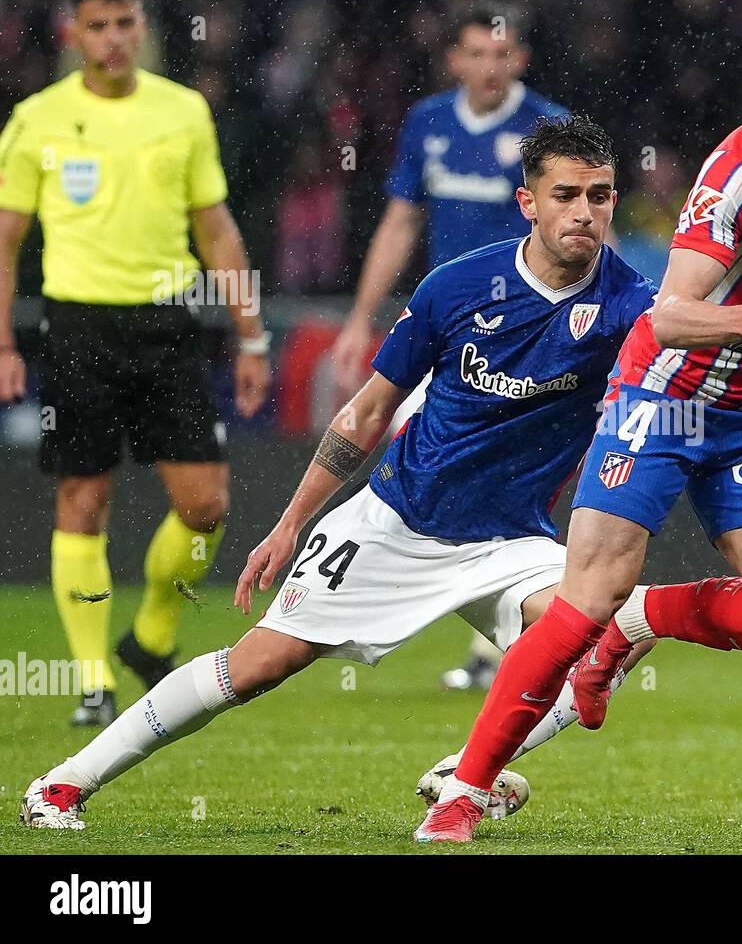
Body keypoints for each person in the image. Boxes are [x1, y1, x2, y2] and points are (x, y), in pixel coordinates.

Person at [20, 115, 656, 831]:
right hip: (397, 521)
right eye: (565, 194)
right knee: (260, 663)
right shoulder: (456, 288)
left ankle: (469, 773)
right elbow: (368, 412)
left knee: (610, 635)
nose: (584, 212)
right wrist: (293, 521)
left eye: (599, 196)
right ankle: (63, 784)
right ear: (528, 203)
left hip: (509, 542)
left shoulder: (630, 304)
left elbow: (681, 357)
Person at [417, 17, 742, 843]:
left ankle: (645, 619)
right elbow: (671, 315)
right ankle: (465, 792)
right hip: (663, 397)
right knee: (581, 602)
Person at [0, 0, 269, 726]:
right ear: (73, 33)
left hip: (168, 325)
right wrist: (1, 343)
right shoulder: (37, 120)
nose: (114, 39)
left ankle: (152, 633)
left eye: (125, 23)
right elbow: (6, 239)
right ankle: (93, 679)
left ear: (142, 28)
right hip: (78, 328)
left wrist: (250, 336)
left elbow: (216, 230)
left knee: (205, 505)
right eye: (99, 26)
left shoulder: (181, 110)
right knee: (83, 500)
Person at [333, 0, 566, 692]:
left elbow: (580, 228)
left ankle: (495, 639)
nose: (490, 67)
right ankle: (506, 628)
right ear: (456, 59)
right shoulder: (428, 122)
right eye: (477, 54)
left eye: (502, 55)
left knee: (491, 472)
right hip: (446, 326)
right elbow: (401, 222)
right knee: (429, 456)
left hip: (528, 331)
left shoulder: (545, 128)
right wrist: (358, 317)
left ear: (519, 59)